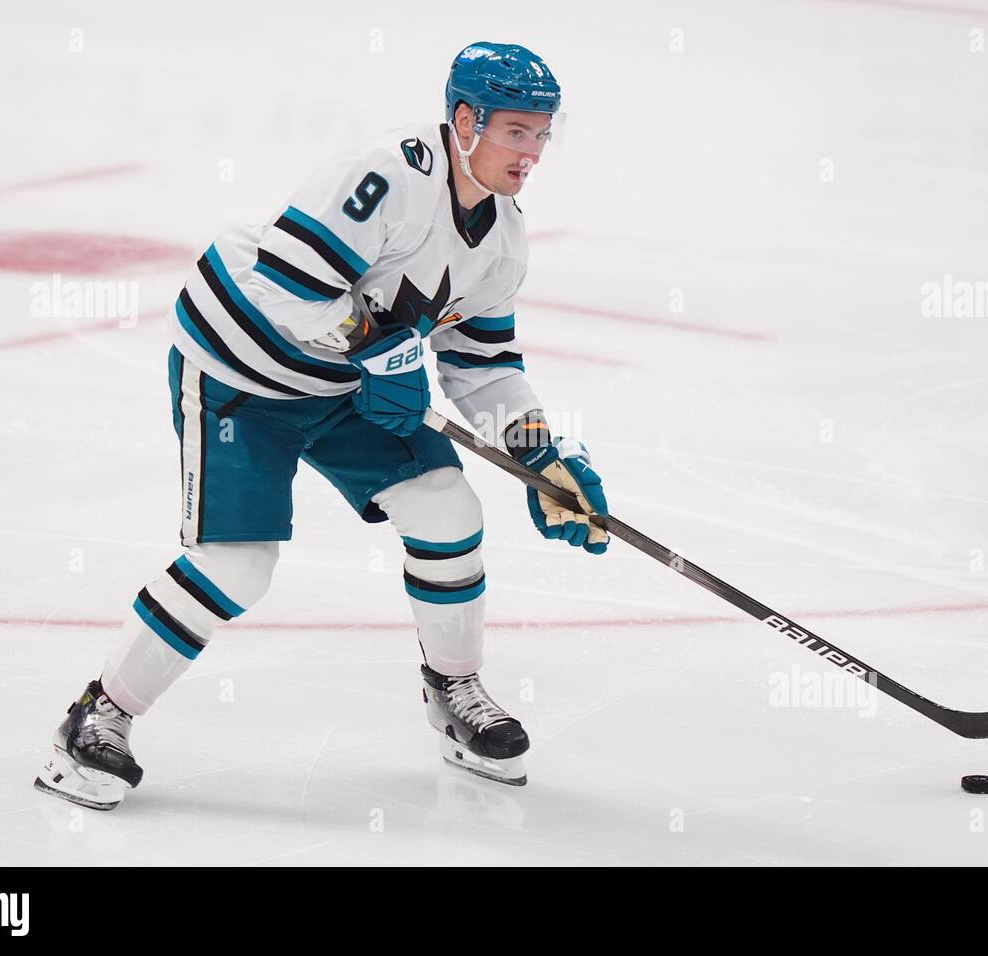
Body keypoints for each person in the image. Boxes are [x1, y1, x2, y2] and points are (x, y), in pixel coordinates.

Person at [34, 41, 609, 810]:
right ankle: (96, 719)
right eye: (516, 131)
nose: (533, 152)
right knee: (236, 566)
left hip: (344, 386)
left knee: (448, 506)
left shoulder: (502, 239)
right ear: (465, 121)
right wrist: (376, 346)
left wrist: (541, 453)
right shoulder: (389, 175)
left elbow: (482, 365)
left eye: (543, 133)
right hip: (243, 371)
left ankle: (454, 692)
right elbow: (283, 284)